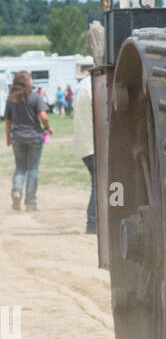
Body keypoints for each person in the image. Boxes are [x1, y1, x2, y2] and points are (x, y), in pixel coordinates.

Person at [4, 71, 50, 212]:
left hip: (17, 137)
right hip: (34, 137)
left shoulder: (11, 99)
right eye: (30, 78)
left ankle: (16, 192)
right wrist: (47, 128)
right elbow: (44, 116)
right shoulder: (36, 97)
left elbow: (8, 122)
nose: (32, 81)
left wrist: (8, 138)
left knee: (20, 168)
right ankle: (30, 202)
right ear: (27, 81)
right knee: (33, 169)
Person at [73, 72, 96, 234]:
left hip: (84, 145)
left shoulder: (83, 84)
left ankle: (95, 221)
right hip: (94, 144)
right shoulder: (96, 86)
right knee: (107, 184)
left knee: (99, 183)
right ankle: (93, 222)